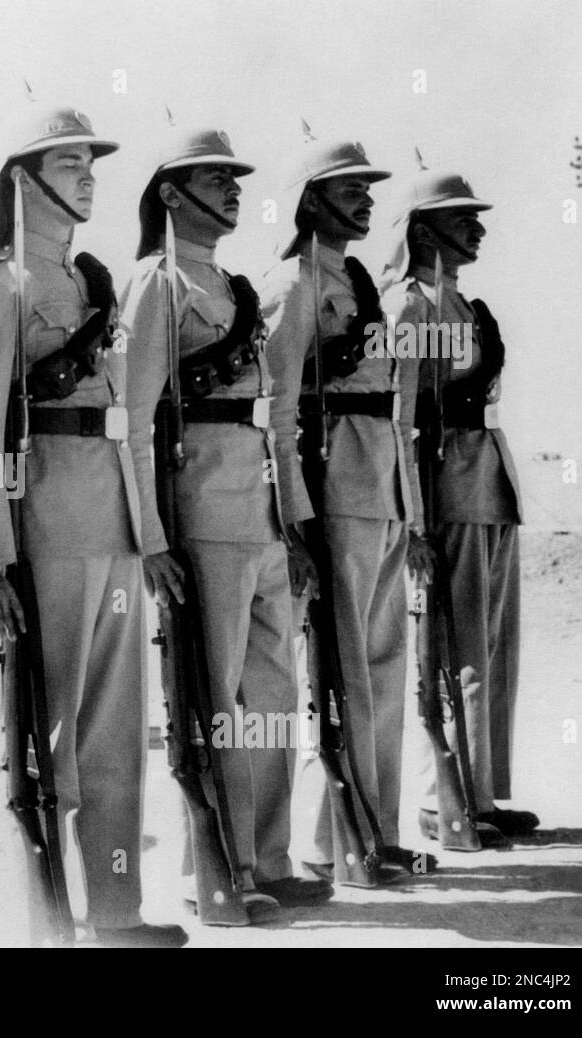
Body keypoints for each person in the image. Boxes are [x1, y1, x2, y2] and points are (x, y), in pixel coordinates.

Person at [0, 105, 186, 948]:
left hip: (111, 523)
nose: (88, 177)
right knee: (49, 743)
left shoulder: (91, 282)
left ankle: (115, 912)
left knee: (117, 735)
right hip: (45, 523)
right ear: (23, 181)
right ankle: (48, 923)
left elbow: (129, 421)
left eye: (91, 164)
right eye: (69, 163)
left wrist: (148, 535)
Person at [121, 128, 330, 912]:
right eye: (216, 177)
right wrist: (150, 537)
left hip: (262, 519)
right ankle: (214, 869)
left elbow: (279, 424)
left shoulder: (238, 291)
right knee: (211, 703)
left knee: (272, 701)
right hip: (200, 516)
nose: (235, 187)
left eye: (238, 176)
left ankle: (268, 856)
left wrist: (297, 526)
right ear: (173, 195)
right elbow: (134, 420)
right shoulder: (157, 284)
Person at [261, 134, 436, 879]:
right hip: (334, 490)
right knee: (337, 676)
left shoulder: (355, 280)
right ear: (311, 201)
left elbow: (395, 409)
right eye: (350, 188)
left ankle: (374, 831)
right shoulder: (294, 287)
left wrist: (413, 510)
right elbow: (276, 412)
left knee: (383, 667)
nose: (366, 199)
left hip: (379, 485)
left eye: (368, 188)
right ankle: (328, 843)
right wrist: (293, 520)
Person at [378, 168, 538, 842]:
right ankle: (442, 797)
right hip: (446, 487)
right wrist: (415, 520)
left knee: (494, 648)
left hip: (486, 482)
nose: (477, 228)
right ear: (422, 231)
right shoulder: (409, 306)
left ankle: (481, 791)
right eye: (460, 218)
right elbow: (403, 418)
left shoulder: (462, 305)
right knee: (456, 650)